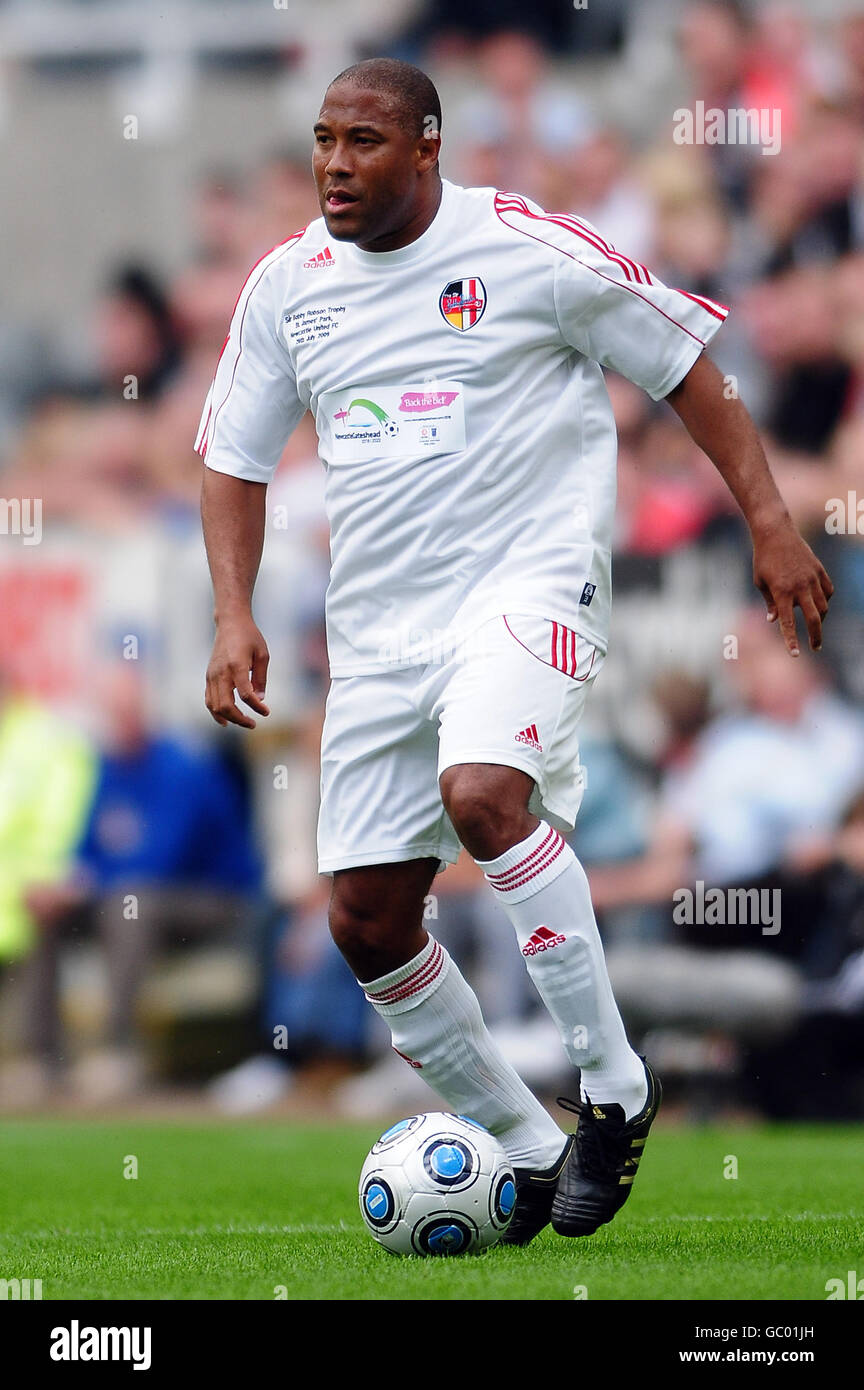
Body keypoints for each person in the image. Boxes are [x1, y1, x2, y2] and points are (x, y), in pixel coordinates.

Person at [196, 58, 832, 1244]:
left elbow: (687, 362)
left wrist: (772, 521)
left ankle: (614, 1087)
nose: (336, 162)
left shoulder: (531, 250)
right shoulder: (289, 286)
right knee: (366, 922)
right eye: (326, 139)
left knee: (486, 796)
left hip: (527, 585)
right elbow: (232, 459)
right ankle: (533, 1147)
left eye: (366, 141)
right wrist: (233, 614)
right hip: (378, 633)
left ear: (429, 146)